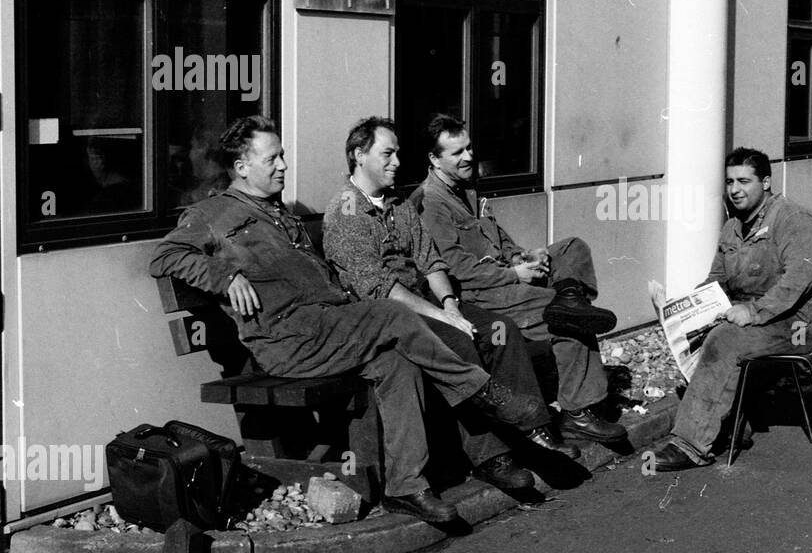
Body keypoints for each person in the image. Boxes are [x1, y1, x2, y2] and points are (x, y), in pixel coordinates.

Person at [149, 116, 574, 526]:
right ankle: (486, 394)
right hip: (288, 341)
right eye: (272, 159)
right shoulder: (214, 214)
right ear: (241, 168)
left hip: (328, 328)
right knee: (392, 313)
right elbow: (165, 256)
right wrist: (226, 276)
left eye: (283, 156)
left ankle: (405, 486)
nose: (283, 166)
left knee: (397, 363)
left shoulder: (277, 212)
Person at [322, 117, 578, 493]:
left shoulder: (397, 204)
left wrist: (450, 303)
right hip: (386, 318)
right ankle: (491, 457)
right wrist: (442, 316)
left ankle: (535, 430)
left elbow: (431, 261)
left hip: (427, 302)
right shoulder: (346, 212)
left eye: (397, 153)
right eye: (387, 154)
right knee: (459, 343)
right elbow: (380, 288)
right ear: (359, 156)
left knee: (499, 329)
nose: (396, 162)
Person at [416, 114, 627, 444]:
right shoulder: (430, 204)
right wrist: (513, 273)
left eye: (469, 148)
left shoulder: (467, 189)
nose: (468, 157)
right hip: (481, 295)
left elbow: (498, 238)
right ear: (434, 159)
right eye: (456, 153)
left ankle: (571, 298)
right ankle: (577, 413)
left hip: (508, 276)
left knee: (572, 248)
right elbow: (456, 269)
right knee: (564, 313)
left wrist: (522, 256)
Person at [653, 147, 812, 470]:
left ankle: (691, 444)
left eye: (744, 181)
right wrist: (680, 310)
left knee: (726, 340)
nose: (735, 190)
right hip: (758, 318)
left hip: (798, 325)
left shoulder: (794, 219)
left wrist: (754, 312)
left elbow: (803, 275)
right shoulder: (732, 226)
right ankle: (731, 422)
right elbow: (715, 283)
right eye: (730, 181)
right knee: (700, 335)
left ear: (765, 182)